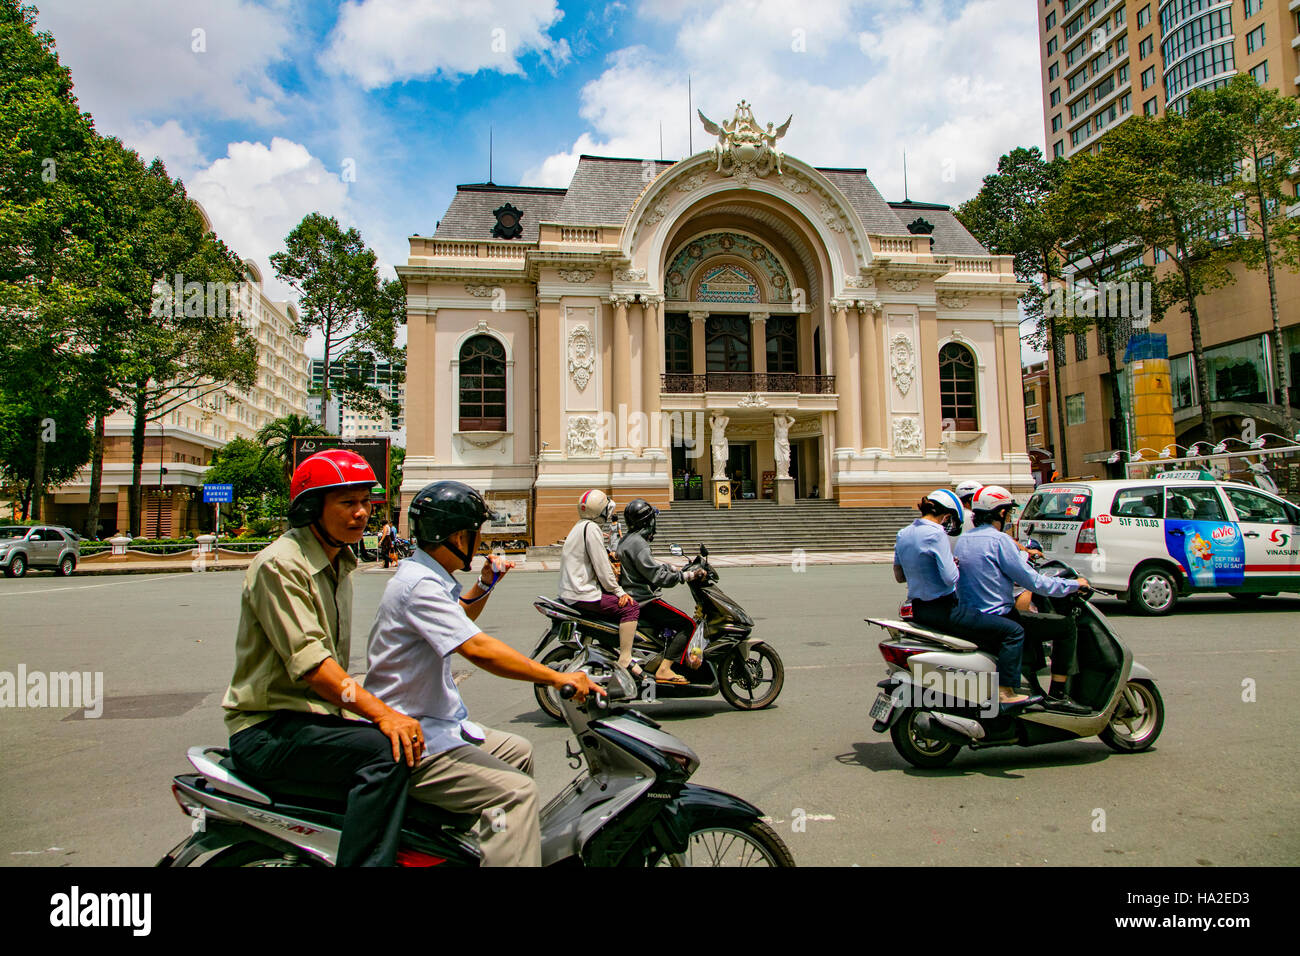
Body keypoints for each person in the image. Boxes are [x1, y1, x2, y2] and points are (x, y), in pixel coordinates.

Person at [365, 481, 601, 867]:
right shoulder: (419, 586)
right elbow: (477, 649)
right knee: (517, 793)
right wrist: (557, 677)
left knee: (518, 752)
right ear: (458, 535)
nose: (480, 541)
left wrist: (485, 584)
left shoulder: (426, 576)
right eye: (477, 532)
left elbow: (456, 619)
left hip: (434, 724)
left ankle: (482, 848)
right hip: (413, 736)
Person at [221, 449, 419, 867]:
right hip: (269, 729)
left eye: (366, 502)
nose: (362, 513)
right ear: (312, 508)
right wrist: (383, 715)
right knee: (386, 750)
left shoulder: (338, 563)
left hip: (312, 719)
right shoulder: (282, 564)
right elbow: (313, 666)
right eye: (348, 503)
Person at [950, 485, 1090, 711]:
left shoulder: (965, 540)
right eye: (1009, 512)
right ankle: (1057, 694)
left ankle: (1031, 684)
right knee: (1065, 627)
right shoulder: (999, 541)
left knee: (1028, 623)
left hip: (970, 614)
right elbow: (1034, 582)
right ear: (1002, 513)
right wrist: (1074, 585)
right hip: (997, 616)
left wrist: (1023, 554)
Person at [617, 499, 707, 685]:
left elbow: (645, 568)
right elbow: (657, 577)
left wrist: (669, 567)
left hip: (631, 596)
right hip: (642, 600)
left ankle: (668, 659)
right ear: (647, 521)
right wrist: (686, 576)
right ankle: (664, 669)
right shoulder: (639, 543)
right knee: (687, 624)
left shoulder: (626, 540)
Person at [557, 490, 641, 675]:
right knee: (630, 607)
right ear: (600, 512)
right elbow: (602, 567)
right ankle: (626, 657)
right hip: (583, 593)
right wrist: (619, 591)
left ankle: (608, 649)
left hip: (570, 591)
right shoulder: (592, 529)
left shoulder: (579, 526)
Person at [893, 489, 964, 634]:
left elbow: (900, 577)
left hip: (918, 608)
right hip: (944, 608)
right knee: (1010, 630)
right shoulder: (937, 533)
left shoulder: (903, 533)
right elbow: (950, 578)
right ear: (946, 515)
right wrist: (953, 565)